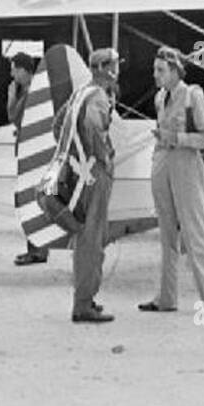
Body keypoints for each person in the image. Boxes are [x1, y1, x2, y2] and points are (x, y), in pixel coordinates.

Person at [139, 46, 204, 318]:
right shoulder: (160, 98)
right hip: (164, 164)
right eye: (154, 70)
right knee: (166, 235)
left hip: (187, 165)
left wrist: (177, 139)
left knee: (194, 231)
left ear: (175, 71)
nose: (155, 75)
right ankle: (166, 298)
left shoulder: (192, 96)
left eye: (160, 70)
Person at [56, 47, 120, 322]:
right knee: (91, 240)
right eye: (115, 66)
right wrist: (100, 159)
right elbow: (95, 131)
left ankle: (86, 298)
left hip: (80, 173)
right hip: (94, 176)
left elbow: (58, 127)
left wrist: (75, 155)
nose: (118, 71)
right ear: (107, 69)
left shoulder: (80, 93)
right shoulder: (99, 98)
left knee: (86, 236)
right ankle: (83, 304)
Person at [7, 52, 49, 266]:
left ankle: (37, 250)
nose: (12, 74)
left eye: (14, 69)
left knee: (31, 203)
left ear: (24, 70)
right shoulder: (36, 90)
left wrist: (12, 95)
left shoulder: (29, 93)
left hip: (31, 154)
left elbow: (14, 117)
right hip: (34, 151)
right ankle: (37, 248)